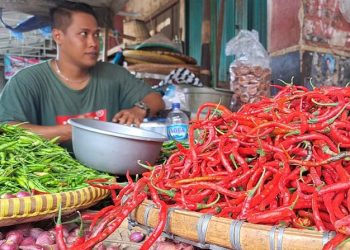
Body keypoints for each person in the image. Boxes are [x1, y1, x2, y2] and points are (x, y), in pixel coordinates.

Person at [0, 1, 165, 149]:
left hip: (110, 169)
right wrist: (70, 131)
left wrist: (139, 109)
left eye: (96, 34)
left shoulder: (114, 74)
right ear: (58, 36)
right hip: (50, 176)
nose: (93, 43)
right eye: (84, 34)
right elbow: (8, 130)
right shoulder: (26, 81)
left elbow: (156, 100)